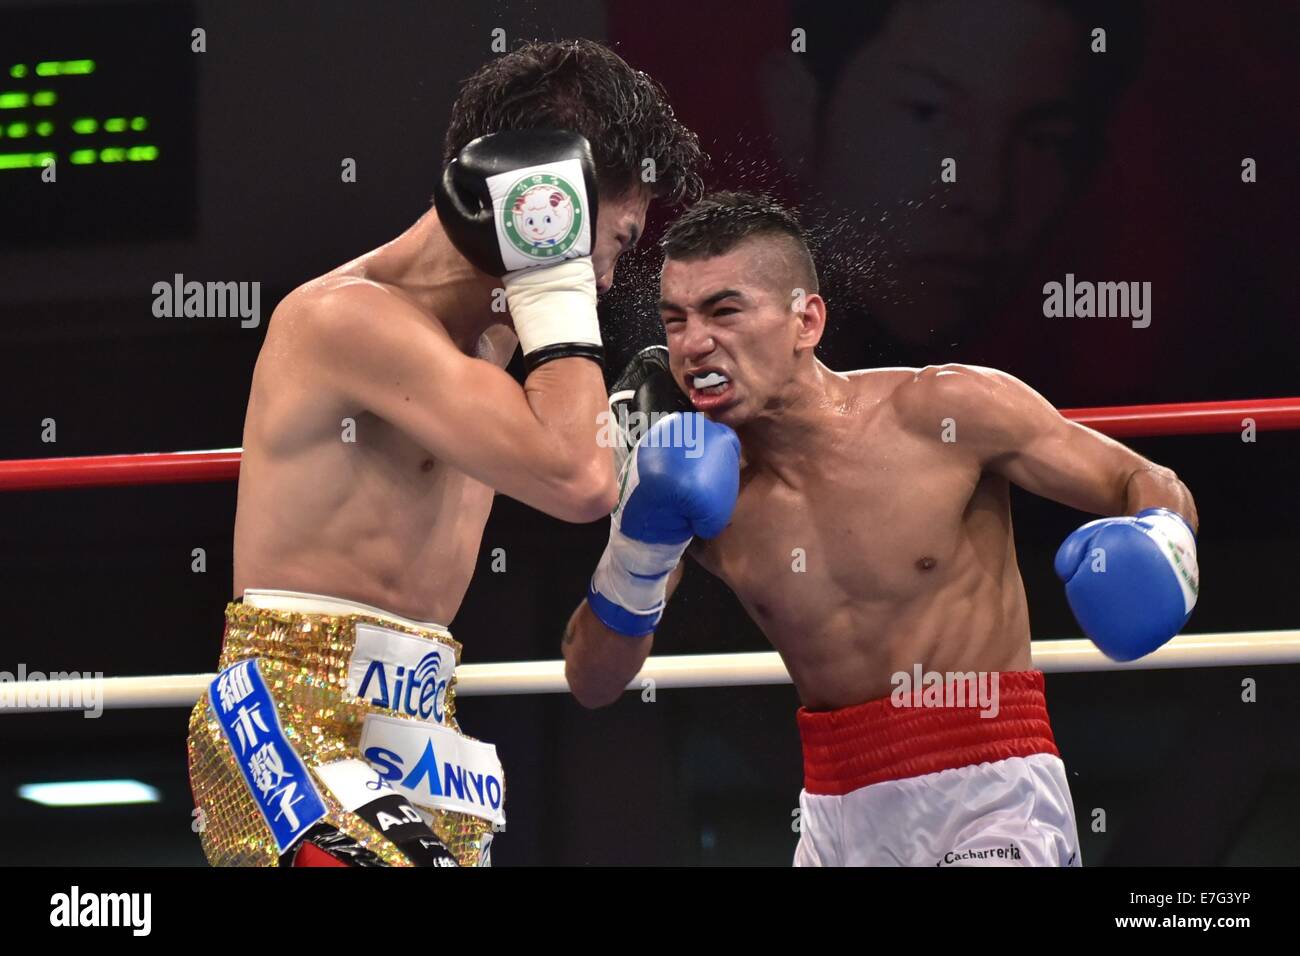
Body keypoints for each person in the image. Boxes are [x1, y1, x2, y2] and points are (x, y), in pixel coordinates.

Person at [562, 192, 1199, 866]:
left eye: (724, 311)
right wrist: (639, 545)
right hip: (836, 817)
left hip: (992, 790)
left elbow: (1149, 483)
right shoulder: (699, 489)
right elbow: (592, 681)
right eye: (676, 320)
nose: (692, 344)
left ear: (805, 321)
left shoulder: (943, 411)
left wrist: (1160, 546)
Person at [187, 39, 704, 867]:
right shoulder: (347, 321)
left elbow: (585, 469)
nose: (606, 280)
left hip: (424, 726)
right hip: (292, 716)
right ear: (547, 189)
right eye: (617, 236)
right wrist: (554, 276)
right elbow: (578, 481)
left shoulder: (499, 349)